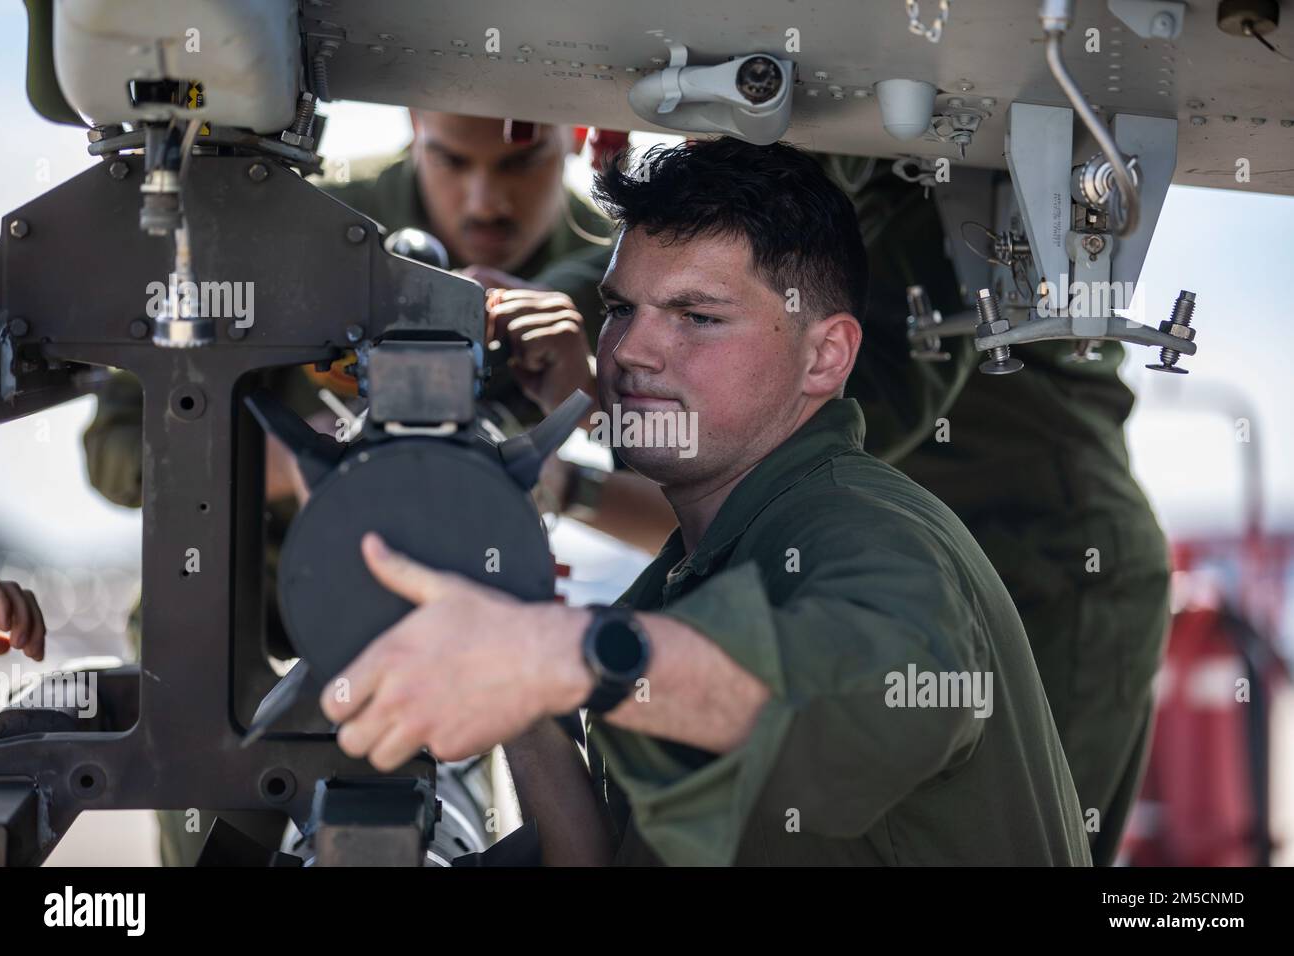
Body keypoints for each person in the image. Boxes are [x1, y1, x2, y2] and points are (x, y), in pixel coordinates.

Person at [320, 137, 1092, 866]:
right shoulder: (696, 571)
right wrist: (515, 650)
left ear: (825, 357)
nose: (628, 353)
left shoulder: (866, 532)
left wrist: (553, 656)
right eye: (621, 308)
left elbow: (868, 699)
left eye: (698, 317)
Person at [76, 110, 616, 866]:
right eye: (452, 159)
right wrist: (314, 468)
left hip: (470, 638)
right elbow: (116, 451)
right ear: (414, 124)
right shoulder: (294, 224)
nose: (484, 200)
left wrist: (585, 398)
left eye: (522, 166)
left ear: (576, 139)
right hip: (248, 633)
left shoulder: (609, 262)